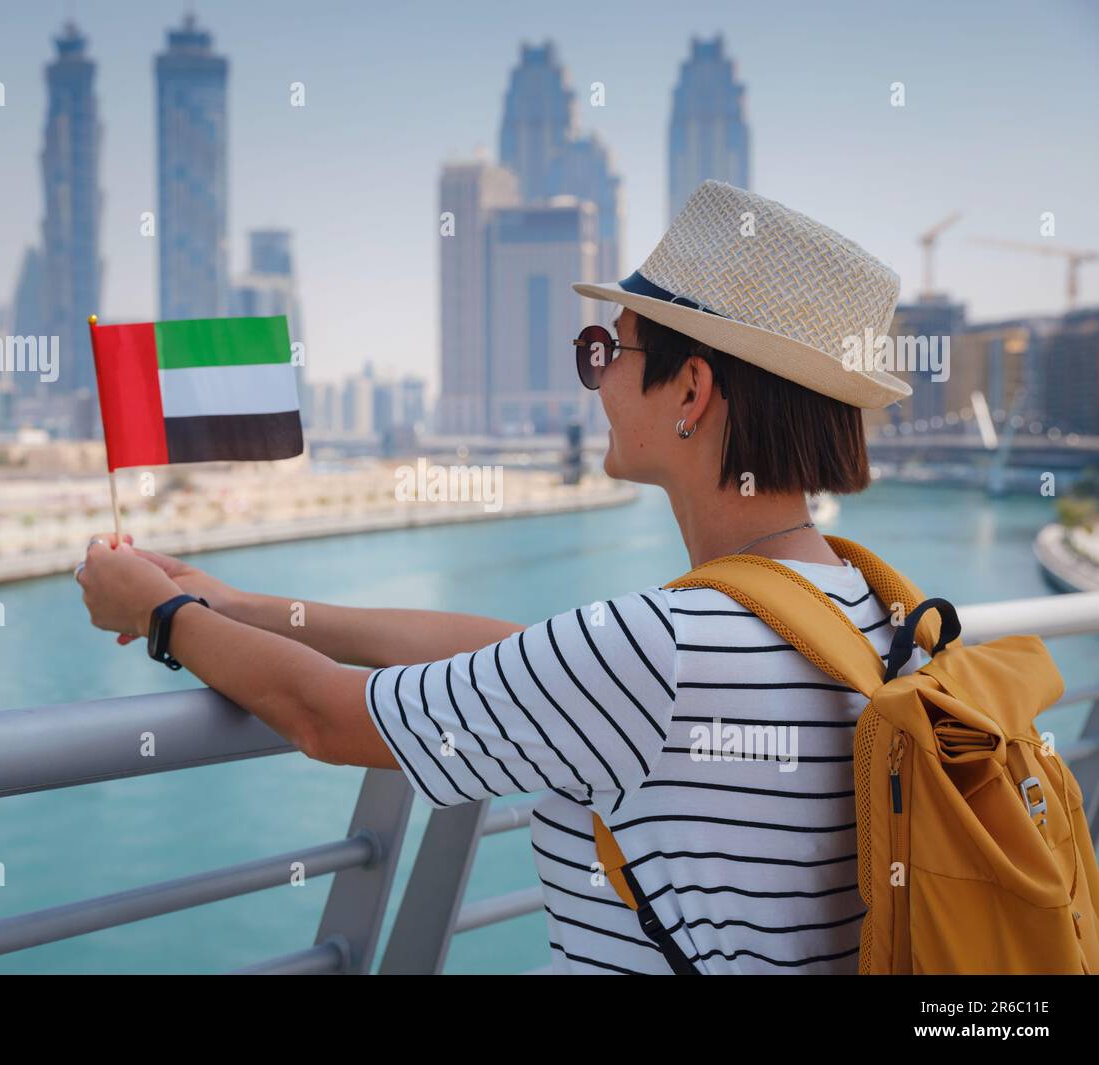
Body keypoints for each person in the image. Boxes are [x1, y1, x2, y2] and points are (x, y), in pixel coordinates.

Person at [76, 180, 920, 974]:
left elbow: (324, 716)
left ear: (691, 391)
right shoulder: (882, 617)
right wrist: (240, 606)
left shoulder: (657, 648)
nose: (595, 378)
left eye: (606, 348)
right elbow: (528, 658)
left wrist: (162, 614)